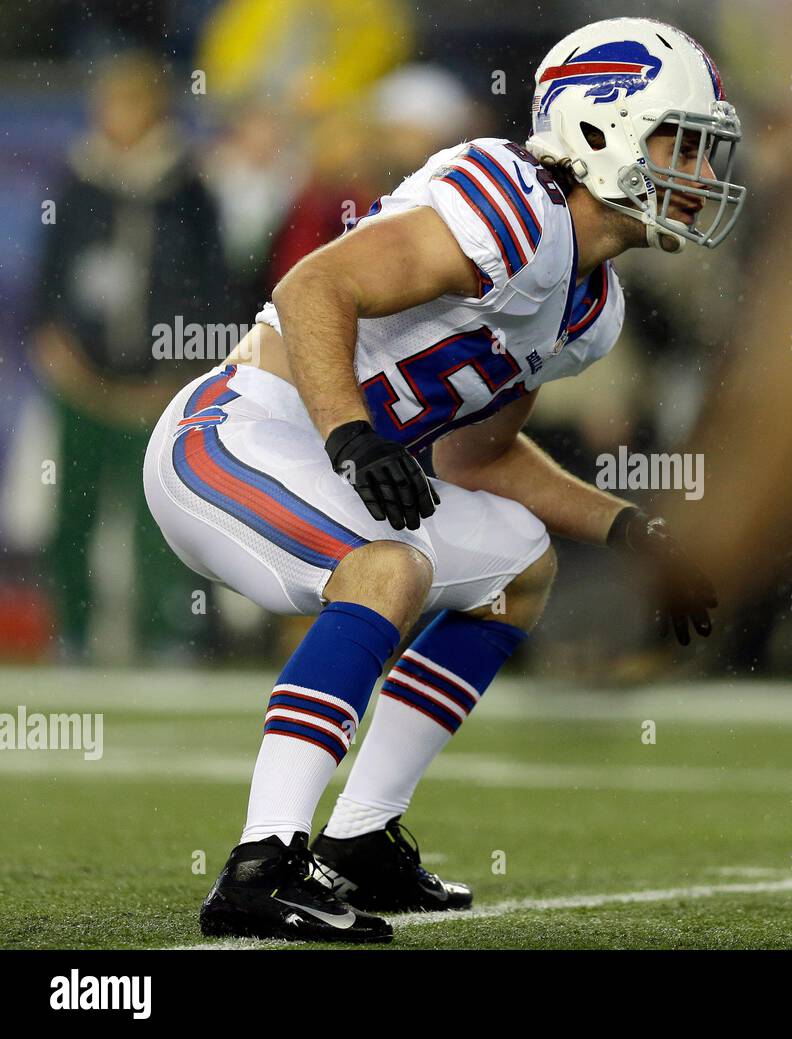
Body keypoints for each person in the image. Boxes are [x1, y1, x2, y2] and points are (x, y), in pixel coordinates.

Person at [143, 16, 743, 943]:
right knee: (388, 567)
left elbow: (478, 456)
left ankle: (360, 837)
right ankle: (261, 861)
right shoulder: (512, 202)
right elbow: (314, 288)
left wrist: (628, 528)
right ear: (599, 129)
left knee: (519, 562)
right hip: (232, 434)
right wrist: (352, 433)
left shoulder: (592, 305)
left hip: (327, 462)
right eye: (681, 143)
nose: (700, 175)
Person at [33, 51, 225, 661]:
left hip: (160, 384)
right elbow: (48, 281)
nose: (113, 116)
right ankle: (74, 634)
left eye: (129, 101)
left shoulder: (188, 187)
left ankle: (168, 634)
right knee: (74, 511)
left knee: (165, 515)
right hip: (82, 379)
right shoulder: (78, 181)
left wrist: (187, 367)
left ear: (156, 108)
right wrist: (60, 352)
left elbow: (213, 286)